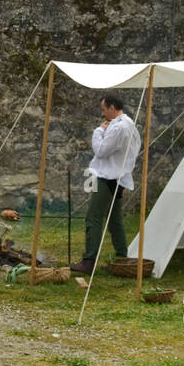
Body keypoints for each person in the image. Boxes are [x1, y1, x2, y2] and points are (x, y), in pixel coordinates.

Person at [70, 93, 141, 274]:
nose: (102, 114)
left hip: (107, 176)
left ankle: (89, 261)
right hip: (117, 175)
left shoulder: (119, 128)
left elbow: (101, 151)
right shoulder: (129, 125)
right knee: (114, 220)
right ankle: (121, 259)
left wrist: (99, 131)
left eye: (104, 109)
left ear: (112, 107)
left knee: (93, 217)